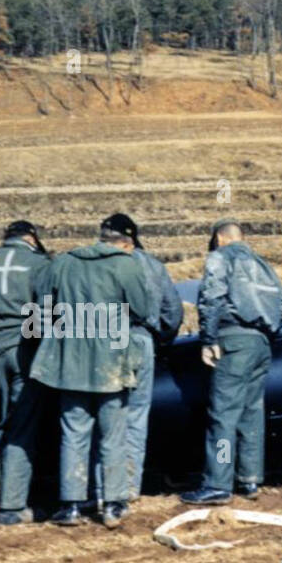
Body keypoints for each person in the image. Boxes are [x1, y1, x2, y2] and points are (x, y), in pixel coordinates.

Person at [29, 221, 150, 528]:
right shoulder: (126, 264)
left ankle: (70, 505)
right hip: (112, 359)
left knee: (73, 433)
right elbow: (142, 309)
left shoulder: (64, 262)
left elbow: (42, 300)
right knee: (113, 434)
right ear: (123, 243)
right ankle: (112, 504)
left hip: (69, 360)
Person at [181, 220, 282, 506]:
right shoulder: (262, 263)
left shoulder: (220, 257)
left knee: (223, 415)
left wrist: (208, 339)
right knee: (251, 413)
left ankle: (218, 483)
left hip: (233, 341)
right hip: (261, 343)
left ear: (219, 238)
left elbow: (211, 298)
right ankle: (250, 479)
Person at [91, 214, 181, 503]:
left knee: (102, 415)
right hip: (142, 341)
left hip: (104, 338)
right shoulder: (153, 265)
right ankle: (129, 486)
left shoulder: (92, 263)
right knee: (136, 417)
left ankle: (101, 488)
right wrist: (160, 341)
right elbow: (172, 313)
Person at [0, 220, 50, 523]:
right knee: (21, 426)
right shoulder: (39, 263)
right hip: (22, 351)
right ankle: (12, 506)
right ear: (31, 238)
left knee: (0, 421)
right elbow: (44, 311)